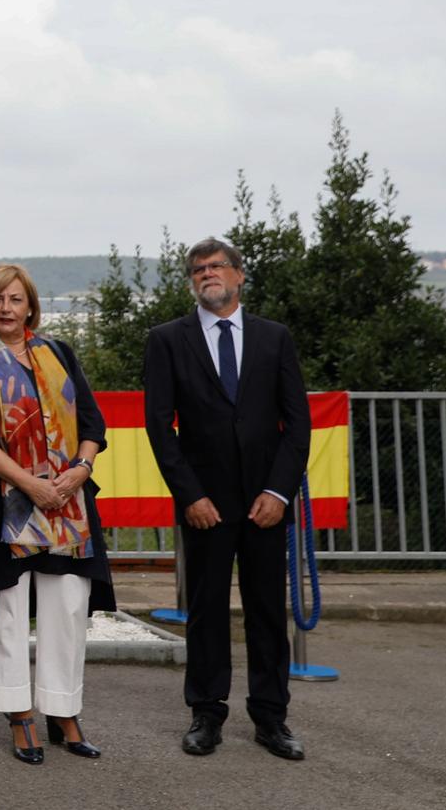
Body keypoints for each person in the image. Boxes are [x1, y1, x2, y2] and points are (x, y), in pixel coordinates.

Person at [144, 237, 311, 761]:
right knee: (207, 611)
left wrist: (279, 490)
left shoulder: (274, 338)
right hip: (205, 506)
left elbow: (297, 422)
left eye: (216, 266)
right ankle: (206, 714)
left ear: (239, 275)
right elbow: (159, 426)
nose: (206, 274)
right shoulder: (168, 340)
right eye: (197, 270)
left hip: (266, 504)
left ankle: (271, 718)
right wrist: (189, 494)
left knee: (266, 612)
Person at [0, 263, 114, 765]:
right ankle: (17, 712)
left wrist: (79, 470)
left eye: (15, 300)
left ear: (30, 306)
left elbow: (92, 421)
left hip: (67, 505)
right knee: (8, 613)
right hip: (4, 507)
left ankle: (63, 712)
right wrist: (29, 485)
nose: (6, 309)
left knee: (66, 608)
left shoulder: (58, 353)